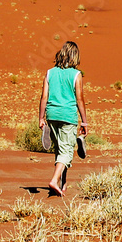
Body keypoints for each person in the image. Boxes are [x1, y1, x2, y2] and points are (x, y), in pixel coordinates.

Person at [37, 41, 88, 197]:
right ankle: (54, 180)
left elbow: (44, 97)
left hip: (52, 115)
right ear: (75, 56)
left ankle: (63, 183)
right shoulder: (76, 75)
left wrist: (41, 117)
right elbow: (79, 99)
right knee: (66, 152)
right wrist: (84, 121)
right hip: (68, 116)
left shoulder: (50, 73)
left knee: (60, 150)